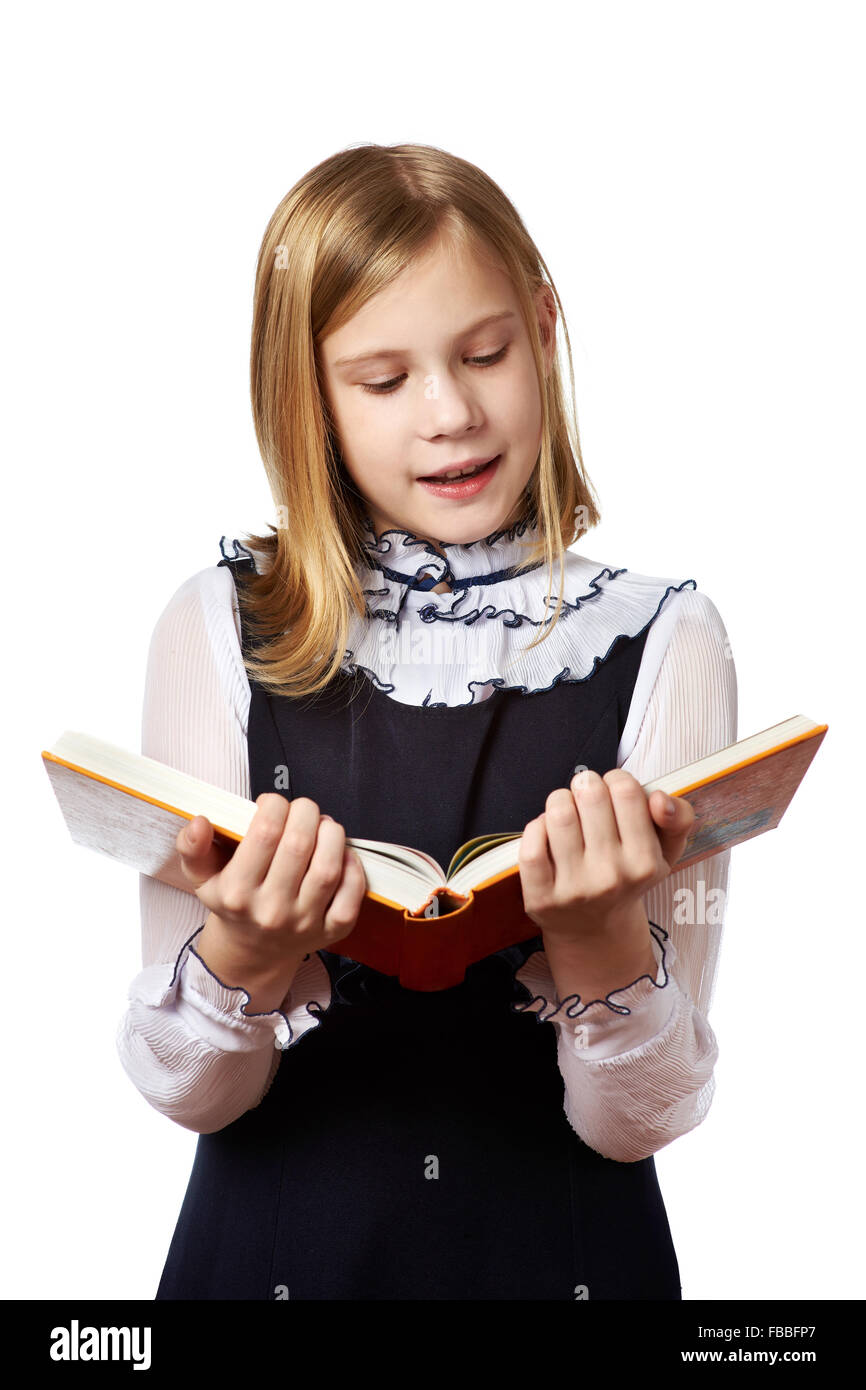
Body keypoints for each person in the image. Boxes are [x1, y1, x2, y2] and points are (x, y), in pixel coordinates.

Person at [116, 142, 737, 1301]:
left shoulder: (667, 636)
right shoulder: (211, 627)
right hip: (268, 1271)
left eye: (484, 353)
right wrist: (245, 954)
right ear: (306, 394)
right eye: (382, 379)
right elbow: (185, 1093)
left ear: (543, 329)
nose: (450, 413)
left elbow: (640, 1120)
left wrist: (602, 942)